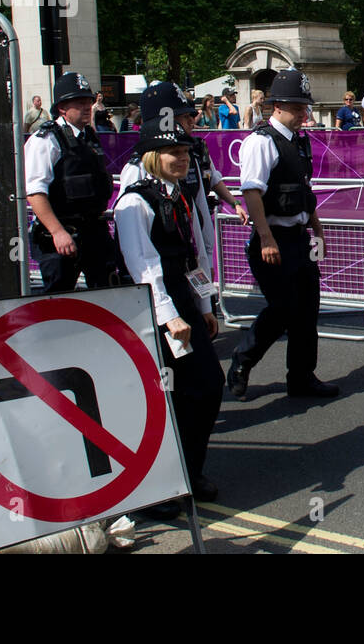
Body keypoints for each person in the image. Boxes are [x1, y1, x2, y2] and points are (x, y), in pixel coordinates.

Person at [113, 119, 223, 514]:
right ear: (151, 157)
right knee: (168, 395)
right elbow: (143, 266)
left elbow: (198, 255)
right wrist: (169, 316)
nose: (182, 159)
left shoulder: (182, 196)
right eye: (173, 153)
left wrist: (206, 306)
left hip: (184, 298)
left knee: (203, 388)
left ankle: (187, 473)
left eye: (185, 153)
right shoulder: (133, 202)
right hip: (151, 307)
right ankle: (159, 487)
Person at [227, 70, 338, 399]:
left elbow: (304, 192)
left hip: (298, 238)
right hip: (273, 237)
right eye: (298, 108)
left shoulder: (297, 143)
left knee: (307, 309)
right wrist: (266, 238)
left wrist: (316, 228)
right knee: (283, 308)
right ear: (277, 106)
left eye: (305, 108)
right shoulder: (261, 142)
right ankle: (242, 361)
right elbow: (252, 193)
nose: (304, 114)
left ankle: (302, 376)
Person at [120, 83, 248, 271]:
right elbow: (136, 244)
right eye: (183, 116)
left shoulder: (195, 153)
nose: (191, 120)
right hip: (162, 266)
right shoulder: (137, 168)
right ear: (163, 118)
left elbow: (207, 191)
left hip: (191, 256)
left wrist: (234, 203)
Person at [24, 72, 117, 294]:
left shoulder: (89, 137)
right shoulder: (46, 140)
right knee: (58, 300)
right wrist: (57, 232)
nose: (87, 106)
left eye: (88, 101)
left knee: (109, 293)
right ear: (62, 108)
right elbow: (35, 192)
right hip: (62, 233)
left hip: (94, 231)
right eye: (79, 102)